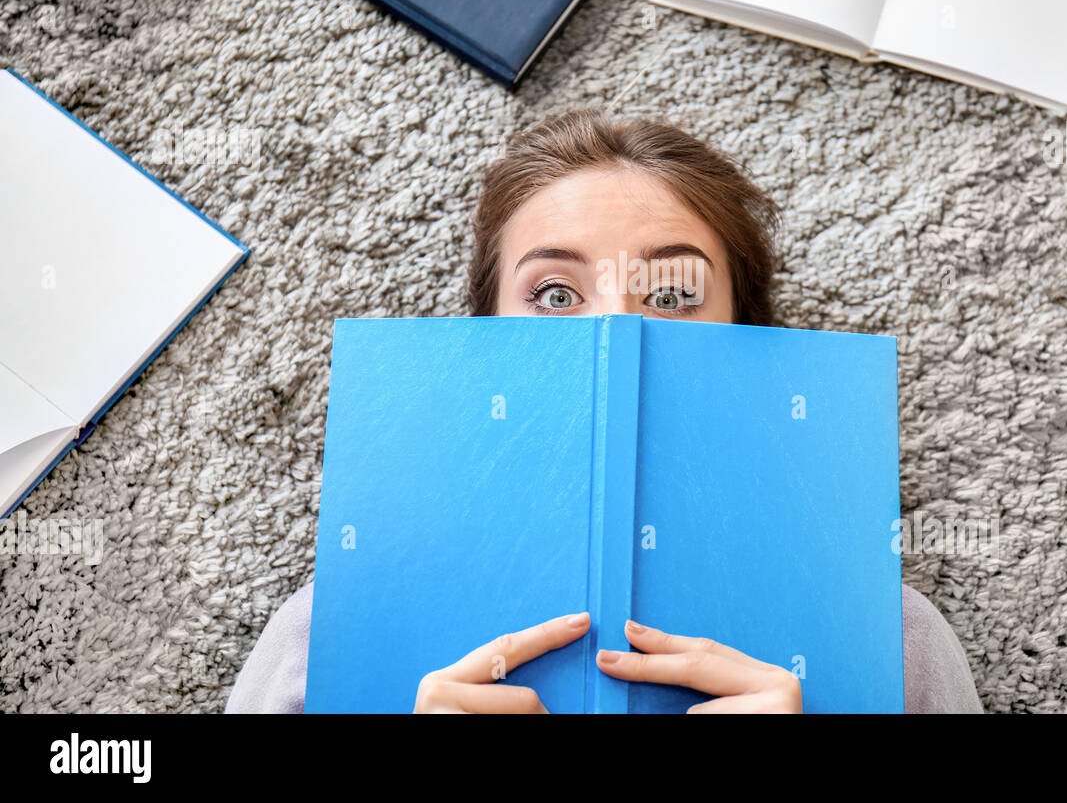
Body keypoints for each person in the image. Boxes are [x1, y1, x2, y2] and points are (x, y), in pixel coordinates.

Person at [226, 110, 983, 713]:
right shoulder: (321, 638)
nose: (613, 332)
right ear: (480, 340)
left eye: (675, 295)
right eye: (556, 295)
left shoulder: (896, 643)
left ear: (750, 342)